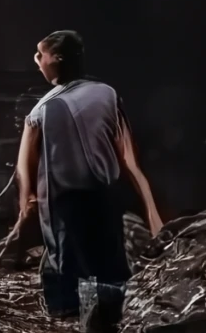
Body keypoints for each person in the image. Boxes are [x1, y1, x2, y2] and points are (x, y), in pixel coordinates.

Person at [10, 30, 164, 317]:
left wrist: (25, 205)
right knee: (110, 267)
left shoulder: (41, 109)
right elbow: (129, 160)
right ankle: (109, 328)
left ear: (56, 58)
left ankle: (75, 330)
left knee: (68, 273)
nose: (37, 62)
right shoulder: (107, 94)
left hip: (63, 202)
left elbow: (23, 166)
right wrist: (152, 214)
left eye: (39, 55)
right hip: (105, 196)